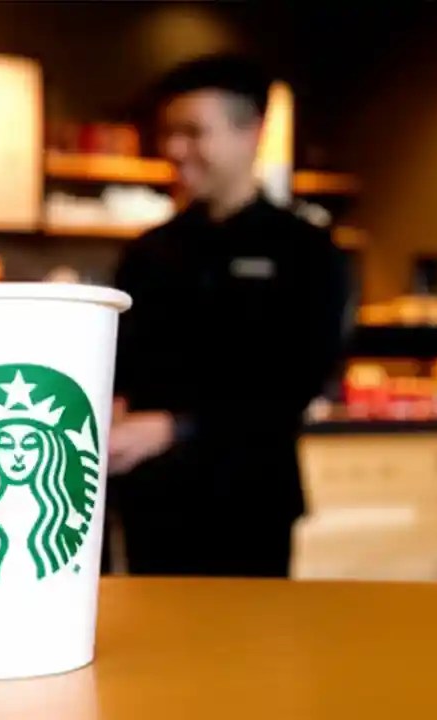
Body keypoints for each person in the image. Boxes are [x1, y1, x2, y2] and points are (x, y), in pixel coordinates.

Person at [107, 55, 348, 577]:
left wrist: (174, 427)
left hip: (250, 501)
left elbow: (298, 382)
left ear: (251, 133)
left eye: (194, 132)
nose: (175, 149)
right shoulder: (150, 251)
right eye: (169, 133)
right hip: (151, 501)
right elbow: (122, 362)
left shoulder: (305, 250)